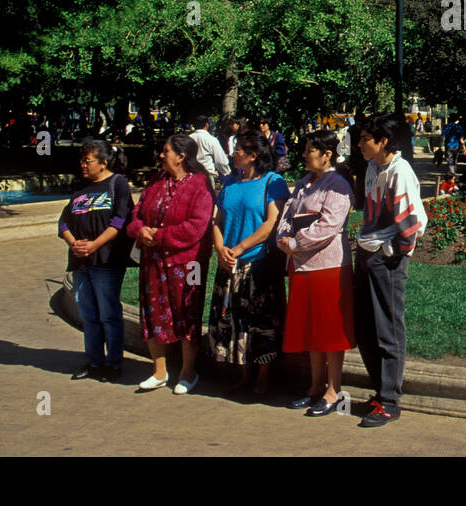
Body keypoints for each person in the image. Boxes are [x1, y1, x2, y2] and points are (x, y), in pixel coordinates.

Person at [274, 129, 356, 416]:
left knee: (329, 329)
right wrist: (283, 239)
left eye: (309, 150)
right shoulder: (304, 182)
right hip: (301, 266)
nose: (304, 155)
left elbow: (329, 224)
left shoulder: (338, 185)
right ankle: (314, 386)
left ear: (326, 154)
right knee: (311, 328)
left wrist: (296, 242)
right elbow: (287, 214)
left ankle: (333, 390)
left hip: (328, 266)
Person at [126, 134, 215, 394]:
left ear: (181, 156)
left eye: (166, 151)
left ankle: (188, 372)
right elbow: (137, 213)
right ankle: (159, 371)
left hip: (190, 264)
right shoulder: (157, 181)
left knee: (188, 313)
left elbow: (196, 226)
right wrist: (140, 230)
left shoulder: (200, 184)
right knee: (153, 312)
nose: (162, 155)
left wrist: (159, 236)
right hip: (153, 262)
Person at [354, 113, 427, 427]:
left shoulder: (400, 171)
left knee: (388, 329)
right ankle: (380, 391)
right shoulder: (372, 167)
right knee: (366, 328)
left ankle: (390, 401)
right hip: (367, 252)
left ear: (383, 141)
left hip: (387, 259)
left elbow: (411, 223)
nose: (359, 144)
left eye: (365, 139)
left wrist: (391, 252)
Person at [207, 129, 290, 395]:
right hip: (228, 262)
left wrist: (240, 247)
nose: (233, 154)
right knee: (233, 320)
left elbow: (271, 222)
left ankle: (263, 376)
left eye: (239, 150)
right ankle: (244, 371)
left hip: (256, 263)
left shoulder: (272, 181)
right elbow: (217, 220)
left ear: (253, 156)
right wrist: (221, 248)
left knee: (260, 321)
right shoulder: (229, 182)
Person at [59, 138, 133, 382]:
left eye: (87, 160)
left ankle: (113, 363)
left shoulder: (117, 183)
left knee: (108, 314)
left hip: (106, 261)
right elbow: (63, 223)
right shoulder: (80, 190)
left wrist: (95, 245)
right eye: (81, 160)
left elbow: (121, 220)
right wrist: (73, 243)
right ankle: (93, 361)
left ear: (103, 163)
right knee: (88, 315)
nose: (83, 164)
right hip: (81, 262)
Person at [190, 115, 231, 185]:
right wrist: (227, 172)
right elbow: (220, 161)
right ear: (206, 125)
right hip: (206, 177)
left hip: (190, 177)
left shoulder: (189, 138)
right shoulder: (211, 139)